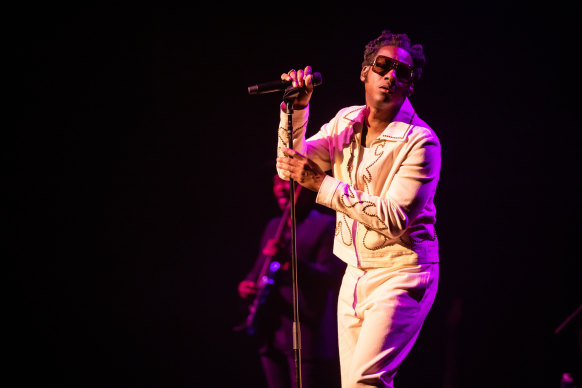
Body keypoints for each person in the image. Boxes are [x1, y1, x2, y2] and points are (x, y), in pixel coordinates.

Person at [275, 30, 441, 388]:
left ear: (410, 85)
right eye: (382, 65)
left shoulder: (421, 142)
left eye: (403, 71)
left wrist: (321, 183)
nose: (391, 75)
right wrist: (296, 108)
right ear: (365, 72)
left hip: (402, 274)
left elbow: (394, 219)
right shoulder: (345, 121)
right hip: (354, 273)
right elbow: (289, 165)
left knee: (367, 381)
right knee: (352, 384)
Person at [238, 173, 346, 388]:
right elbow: (259, 270)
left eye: (286, 183)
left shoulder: (325, 225)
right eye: (275, 183)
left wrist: (290, 261)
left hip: (306, 336)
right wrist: (246, 286)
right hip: (272, 333)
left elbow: (331, 278)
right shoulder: (274, 226)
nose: (279, 189)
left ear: (304, 187)